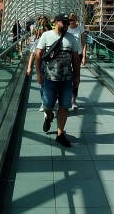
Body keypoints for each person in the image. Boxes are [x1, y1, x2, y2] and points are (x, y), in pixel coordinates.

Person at [35, 13, 81, 148]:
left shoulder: (72, 38)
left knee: (64, 106)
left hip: (67, 79)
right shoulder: (46, 35)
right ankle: (49, 117)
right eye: (63, 22)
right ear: (56, 22)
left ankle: (60, 135)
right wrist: (38, 73)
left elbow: (75, 59)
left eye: (67, 23)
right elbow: (38, 55)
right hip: (49, 78)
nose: (66, 25)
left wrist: (77, 77)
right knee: (47, 105)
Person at [67, 12, 84, 110]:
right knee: (67, 76)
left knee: (76, 77)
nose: (71, 21)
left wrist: (84, 56)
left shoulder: (80, 28)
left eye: (73, 20)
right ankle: (67, 97)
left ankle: (73, 99)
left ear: (76, 20)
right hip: (67, 55)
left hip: (78, 55)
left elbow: (84, 43)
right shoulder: (66, 29)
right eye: (70, 20)